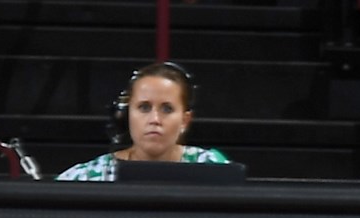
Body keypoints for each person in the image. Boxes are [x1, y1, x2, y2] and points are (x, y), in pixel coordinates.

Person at [56, 62, 230, 182]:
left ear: (185, 120)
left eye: (167, 109)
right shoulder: (89, 176)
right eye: (144, 107)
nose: (155, 119)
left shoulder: (212, 167)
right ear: (127, 114)